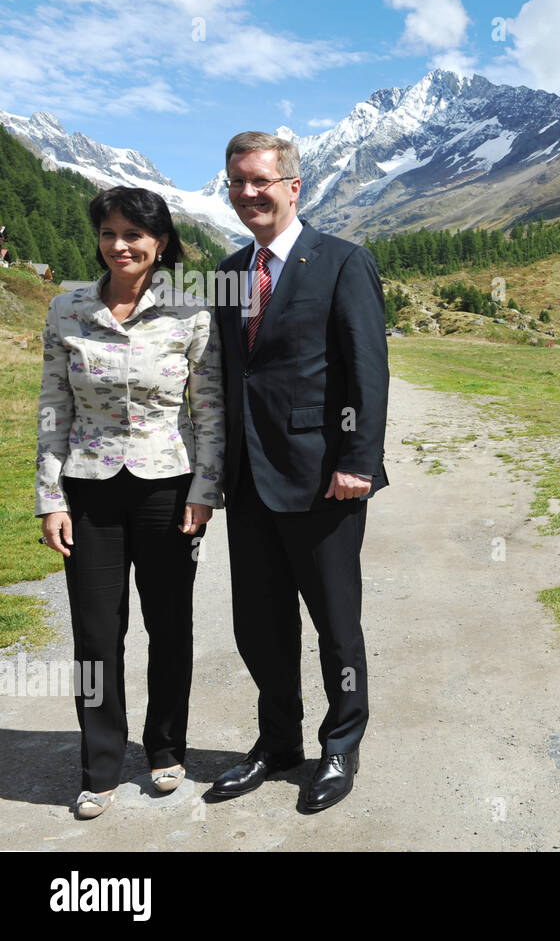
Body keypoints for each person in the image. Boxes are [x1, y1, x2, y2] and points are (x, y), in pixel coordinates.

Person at [208, 131, 388, 813]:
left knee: (336, 623)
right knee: (259, 624)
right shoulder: (229, 270)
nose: (248, 193)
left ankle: (340, 743)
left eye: (260, 180)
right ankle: (277, 741)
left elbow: (368, 368)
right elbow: (228, 375)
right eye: (236, 181)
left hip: (324, 481)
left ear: (293, 187)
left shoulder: (343, 262)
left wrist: (358, 461)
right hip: (249, 482)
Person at [36, 186, 224, 819]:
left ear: (160, 242)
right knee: (95, 633)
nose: (121, 245)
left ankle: (166, 747)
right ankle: (101, 764)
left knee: (169, 626)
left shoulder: (192, 312)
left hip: (167, 489)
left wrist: (204, 491)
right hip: (88, 491)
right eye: (110, 233)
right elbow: (53, 408)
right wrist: (49, 498)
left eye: (134, 234)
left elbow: (209, 413)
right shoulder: (66, 309)